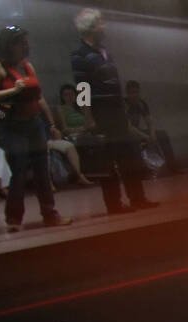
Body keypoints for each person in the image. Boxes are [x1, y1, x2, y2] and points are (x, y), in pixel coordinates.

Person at [71, 9, 157, 215]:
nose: (105, 27)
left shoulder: (105, 52)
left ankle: (137, 197)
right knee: (108, 159)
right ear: (91, 27)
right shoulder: (80, 55)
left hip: (117, 112)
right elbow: (82, 88)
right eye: (101, 23)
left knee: (130, 156)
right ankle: (114, 203)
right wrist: (88, 116)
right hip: (102, 113)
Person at [0, 25, 70, 232]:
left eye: (25, 42)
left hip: (34, 124)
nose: (25, 46)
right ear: (9, 45)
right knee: (19, 171)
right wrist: (13, 90)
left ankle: (50, 213)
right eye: (20, 43)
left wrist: (50, 124)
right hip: (13, 126)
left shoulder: (27, 67)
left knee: (42, 170)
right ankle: (14, 217)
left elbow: (39, 98)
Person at [125, 80, 180, 174]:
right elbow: (128, 127)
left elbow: (150, 122)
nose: (134, 95)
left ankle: (173, 167)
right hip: (126, 133)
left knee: (163, 134)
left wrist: (152, 135)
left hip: (138, 131)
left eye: (136, 92)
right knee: (134, 139)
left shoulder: (141, 103)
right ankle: (142, 170)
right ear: (127, 93)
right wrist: (146, 137)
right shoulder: (124, 105)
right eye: (131, 93)